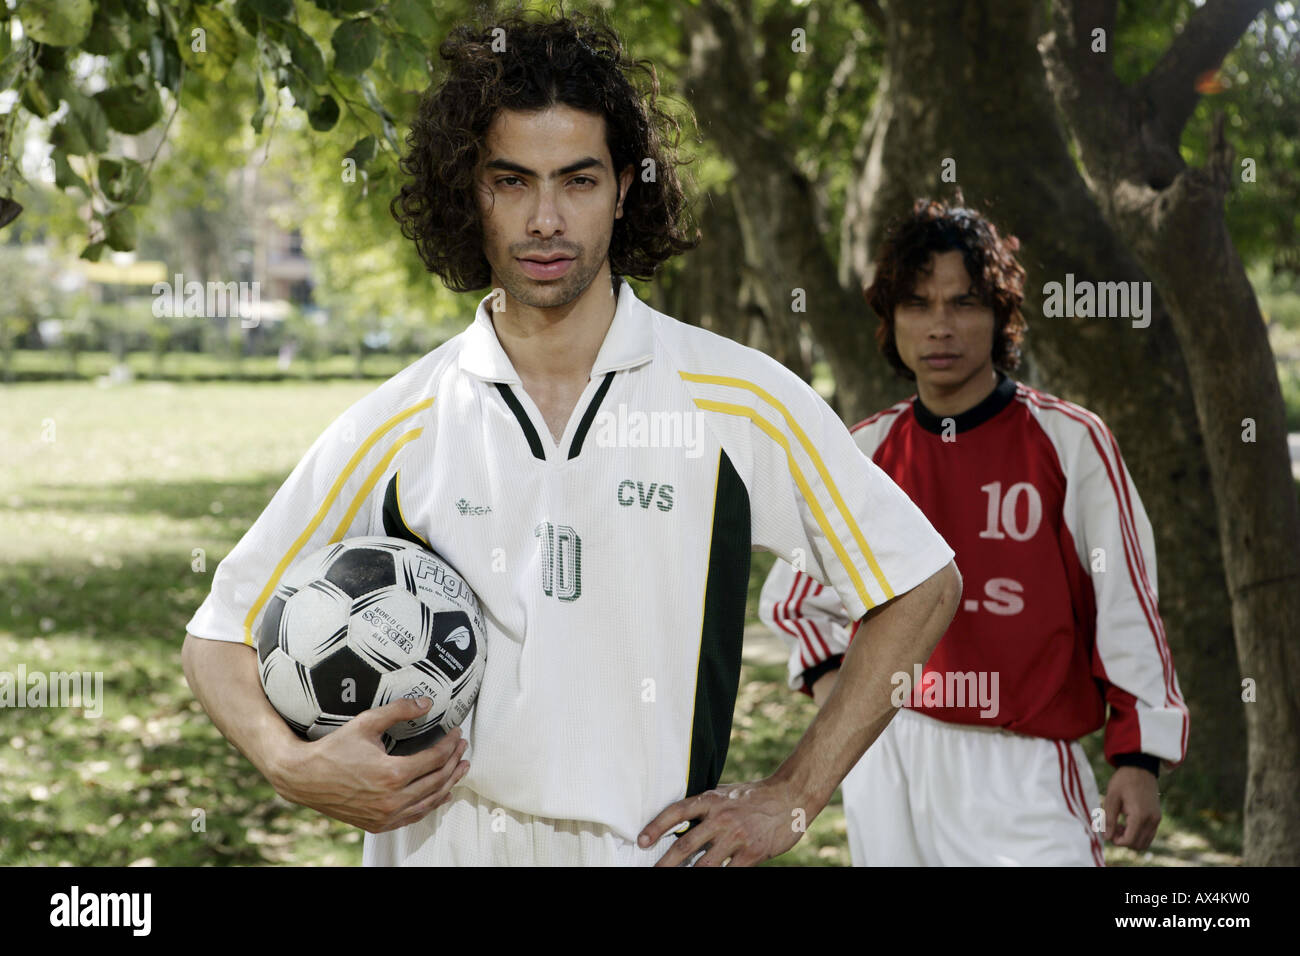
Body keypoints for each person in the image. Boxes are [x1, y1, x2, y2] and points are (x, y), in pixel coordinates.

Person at [181, 12, 961, 866]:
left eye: (578, 181)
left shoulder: (739, 401)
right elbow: (218, 635)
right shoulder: (400, 422)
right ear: (467, 191)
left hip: (645, 849)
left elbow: (920, 584)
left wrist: (795, 798)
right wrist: (291, 764)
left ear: (626, 188)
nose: (545, 219)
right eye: (511, 182)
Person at [760, 199, 1189, 866]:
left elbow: (1127, 604)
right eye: (918, 304)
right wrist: (854, 703)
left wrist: (1138, 755)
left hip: (1021, 764)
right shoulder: (864, 451)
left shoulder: (1070, 441)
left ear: (1000, 317)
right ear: (891, 319)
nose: (940, 326)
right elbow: (794, 600)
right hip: (888, 758)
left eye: (963, 303)